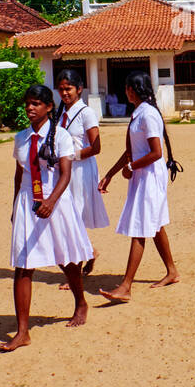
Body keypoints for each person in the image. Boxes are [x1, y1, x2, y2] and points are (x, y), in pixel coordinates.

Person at [2, 85, 93, 352]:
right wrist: (14, 207)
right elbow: (19, 175)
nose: (30, 108)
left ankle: (81, 303)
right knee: (23, 264)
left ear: (49, 107)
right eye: (28, 104)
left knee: (66, 258)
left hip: (55, 202)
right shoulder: (20, 138)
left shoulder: (61, 136)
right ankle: (22, 331)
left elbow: (65, 174)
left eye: (36, 104)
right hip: (28, 203)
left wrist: (51, 202)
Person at [98, 71, 180, 303]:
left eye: (127, 87)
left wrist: (132, 167)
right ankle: (172, 271)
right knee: (153, 225)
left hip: (150, 178)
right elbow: (130, 151)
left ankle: (126, 286)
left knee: (140, 227)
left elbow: (156, 153)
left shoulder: (148, 115)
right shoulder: (138, 113)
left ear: (133, 89)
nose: (126, 92)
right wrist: (110, 174)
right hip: (141, 176)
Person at [55, 68, 108, 276]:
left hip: (81, 171)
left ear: (79, 89)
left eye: (68, 89)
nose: (65, 93)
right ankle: (88, 252)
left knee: (73, 216)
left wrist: (71, 156)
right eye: (61, 90)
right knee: (68, 216)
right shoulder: (61, 114)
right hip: (65, 170)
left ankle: (76, 269)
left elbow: (96, 147)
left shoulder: (86, 113)